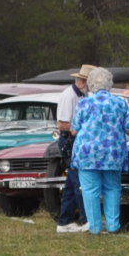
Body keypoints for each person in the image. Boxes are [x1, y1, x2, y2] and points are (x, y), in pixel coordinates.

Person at [68, 66, 129, 235]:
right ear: (110, 83)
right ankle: (113, 226)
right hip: (113, 152)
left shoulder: (84, 103)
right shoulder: (119, 102)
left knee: (90, 190)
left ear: (90, 84)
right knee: (112, 188)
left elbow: (74, 130)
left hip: (88, 153)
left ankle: (95, 227)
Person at [53, 66, 92, 233]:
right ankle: (87, 219)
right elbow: (62, 124)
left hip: (76, 140)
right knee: (79, 181)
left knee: (71, 183)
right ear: (83, 82)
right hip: (69, 141)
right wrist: (84, 128)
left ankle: (65, 221)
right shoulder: (68, 96)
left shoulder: (83, 95)